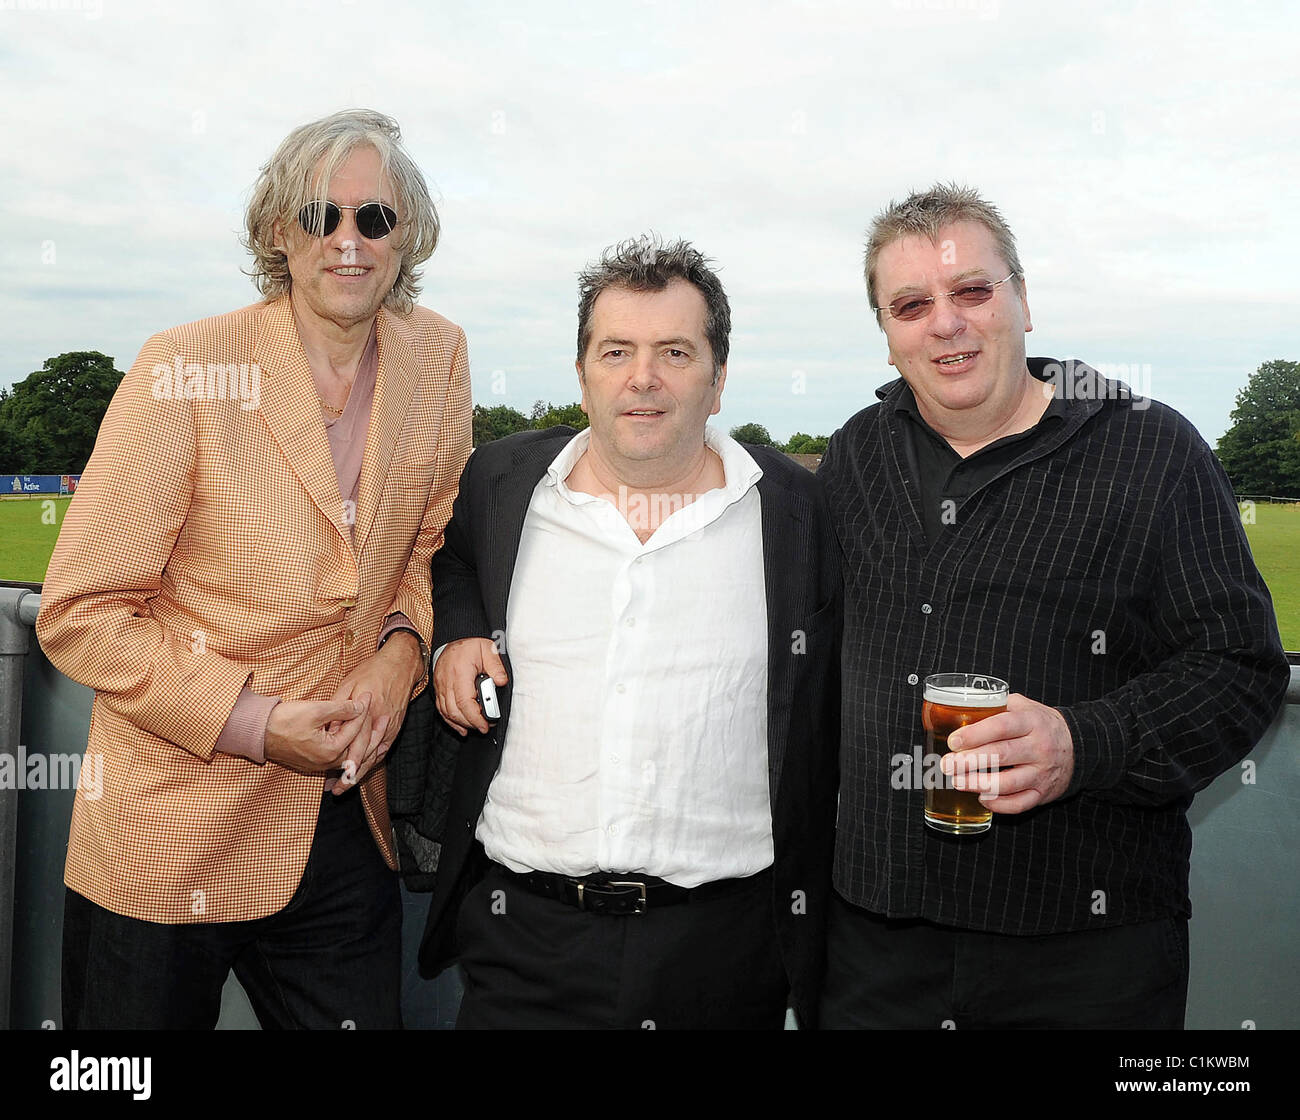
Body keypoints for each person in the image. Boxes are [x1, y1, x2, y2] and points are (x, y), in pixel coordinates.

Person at [35, 109, 472, 1029]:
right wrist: (257, 722)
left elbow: (435, 540)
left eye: (375, 220)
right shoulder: (184, 365)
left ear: (408, 236)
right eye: (322, 217)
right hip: (169, 832)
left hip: (346, 819)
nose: (349, 242)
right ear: (280, 230)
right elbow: (81, 610)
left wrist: (400, 652)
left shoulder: (439, 358)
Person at [817, 183, 1290, 1029]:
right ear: (887, 337)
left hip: (1084, 953)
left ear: (1023, 301)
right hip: (876, 949)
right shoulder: (855, 452)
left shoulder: (1151, 447)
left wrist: (1083, 742)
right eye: (912, 304)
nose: (946, 323)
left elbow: (1240, 668)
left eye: (973, 291)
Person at [404, 236, 840, 1029]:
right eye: (617, 352)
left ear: (717, 379)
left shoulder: (800, 513)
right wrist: (455, 633)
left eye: (676, 351)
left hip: (727, 953)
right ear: (582, 376)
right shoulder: (502, 486)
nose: (643, 377)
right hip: (519, 945)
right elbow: (450, 559)